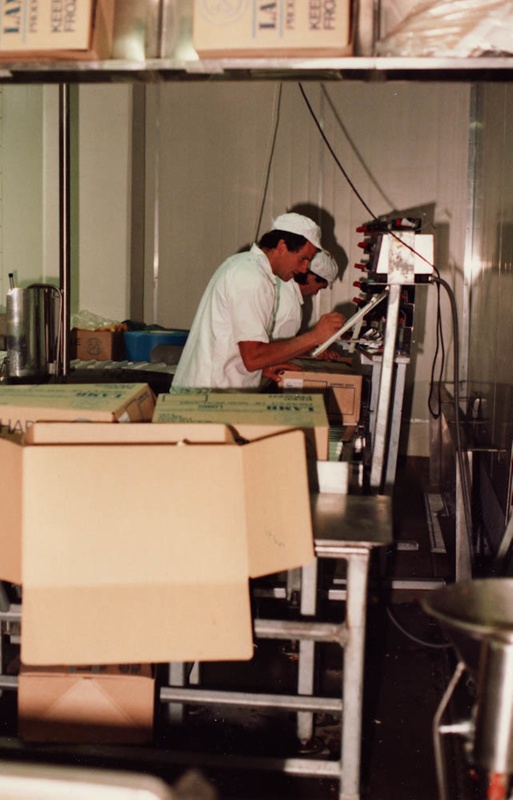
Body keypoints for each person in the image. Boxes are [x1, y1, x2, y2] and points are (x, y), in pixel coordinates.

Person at [172, 212, 345, 390]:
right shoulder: (252, 277)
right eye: (303, 259)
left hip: (210, 391)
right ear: (282, 246)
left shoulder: (244, 265)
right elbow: (253, 357)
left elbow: (237, 345)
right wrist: (314, 337)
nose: (303, 269)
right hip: (207, 396)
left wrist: (263, 368)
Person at [271, 249, 339, 340]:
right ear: (311, 278)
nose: (315, 292)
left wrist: (310, 347)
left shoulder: (278, 280)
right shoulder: (292, 308)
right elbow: (281, 351)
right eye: (319, 287)